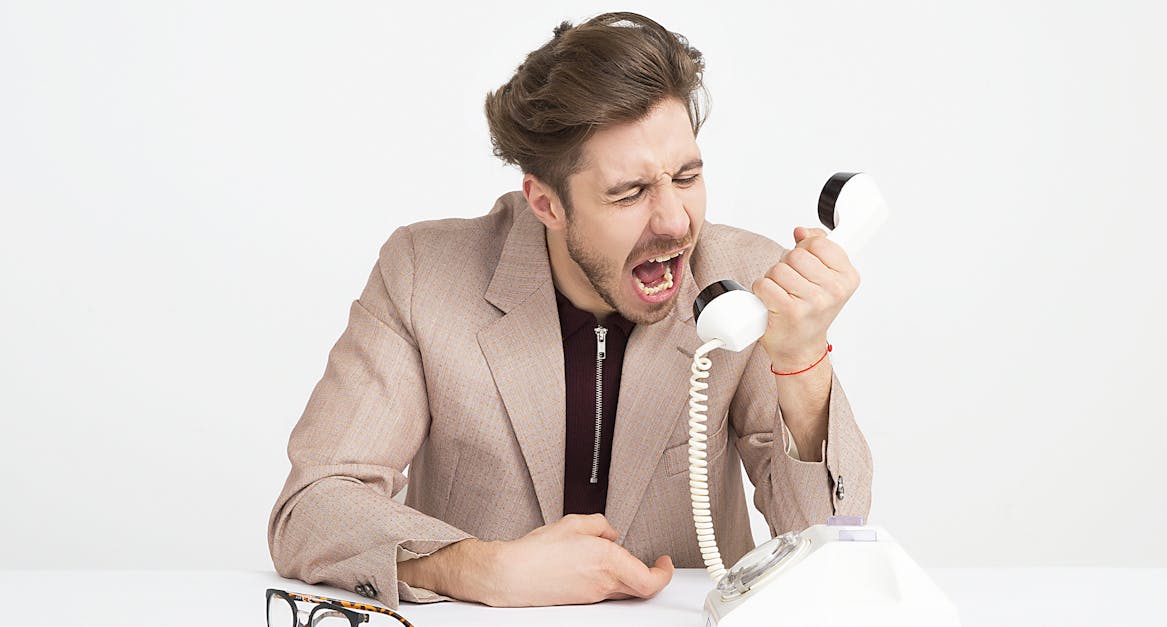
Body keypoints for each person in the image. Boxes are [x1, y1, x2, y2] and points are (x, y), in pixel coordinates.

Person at [268, 11, 872, 610]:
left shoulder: (742, 278)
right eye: (629, 192)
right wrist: (479, 570)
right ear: (546, 203)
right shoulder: (423, 272)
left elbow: (833, 543)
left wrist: (801, 362)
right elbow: (313, 505)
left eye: (687, 177)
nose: (675, 221)